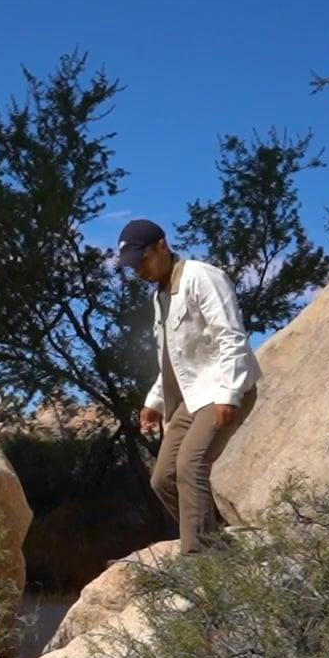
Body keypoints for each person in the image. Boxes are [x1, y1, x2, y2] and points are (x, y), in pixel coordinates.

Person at [115, 218, 261, 554]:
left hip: (224, 387)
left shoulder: (201, 276)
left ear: (162, 246)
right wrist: (154, 401)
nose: (138, 270)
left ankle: (200, 559)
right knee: (163, 477)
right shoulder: (160, 297)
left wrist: (229, 395)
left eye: (143, 260)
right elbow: (174, 358)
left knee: (191, 465)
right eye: (132, 264)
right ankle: (218, 542)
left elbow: (231, 335)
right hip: (192, 396)